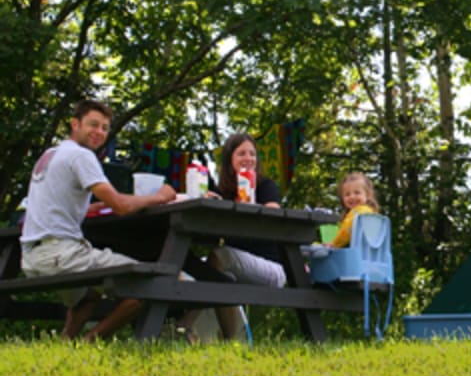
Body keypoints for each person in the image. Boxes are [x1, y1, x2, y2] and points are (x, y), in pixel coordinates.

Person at [20, 99, 177, 340]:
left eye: (104, 128)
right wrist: (159, 197)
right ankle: (90, 341)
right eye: (93, 124)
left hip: (32, 257)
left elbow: (61, 202)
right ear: (75, 124)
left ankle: (67, 341)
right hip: (61, 254)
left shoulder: (51, 155)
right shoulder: (81, 156)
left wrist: (98, 205)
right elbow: (123, 207)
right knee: (148, 283)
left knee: (90, 295)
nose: (99, 132)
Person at [178, 132, 286, 340]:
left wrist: (247, 207)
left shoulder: (265, 186)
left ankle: (193, 327)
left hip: (270, 267)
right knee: (191, 268)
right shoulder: (225, 192)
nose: (248, 158)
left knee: (220, 257)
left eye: (252, 154)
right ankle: (196, 333)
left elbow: (273, 215)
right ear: (230, 160)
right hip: (235, 266)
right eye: (241, 154)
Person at [326, 172, 379, 248]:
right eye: (347, 194)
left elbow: (346, 231)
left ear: (368, 195)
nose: (352, 197)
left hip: (356, 256)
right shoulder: (372, 213)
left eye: (357, 193)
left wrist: (334, 244)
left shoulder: (359, 212)